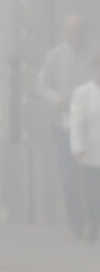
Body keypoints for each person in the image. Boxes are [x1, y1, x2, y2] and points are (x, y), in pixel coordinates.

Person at [36, 15, 95, 238]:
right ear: (64, 32)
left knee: (90, 177)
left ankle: (92, 222)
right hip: (64, 126)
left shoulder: (94, 55)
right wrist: (56, 100)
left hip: (89, 127)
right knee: (69, 178)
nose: (75, 35)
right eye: (71, 31)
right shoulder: (54, 57)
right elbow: (41, 84)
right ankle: (76, 223)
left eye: (79, 31)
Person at [69, 51, 100, 245]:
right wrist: (78, 146)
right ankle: (93, 224)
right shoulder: (83, 93)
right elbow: (76, 121)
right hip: (91, 153)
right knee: (92, 193)